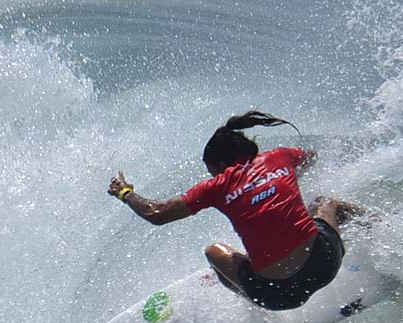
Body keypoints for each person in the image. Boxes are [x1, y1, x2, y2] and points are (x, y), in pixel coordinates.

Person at [107, 110, 358, 311]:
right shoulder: (281, 157)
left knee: (213, 252)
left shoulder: (218, 185)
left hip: (277, 295)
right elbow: (311, 157)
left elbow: (156, 213)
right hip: (326, 263)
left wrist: (125, 193)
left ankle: (253, 308)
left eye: (212, 170)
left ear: (221, 165)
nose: (213, 175)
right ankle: (378, 225)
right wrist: (284, 181)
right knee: (326, 205)